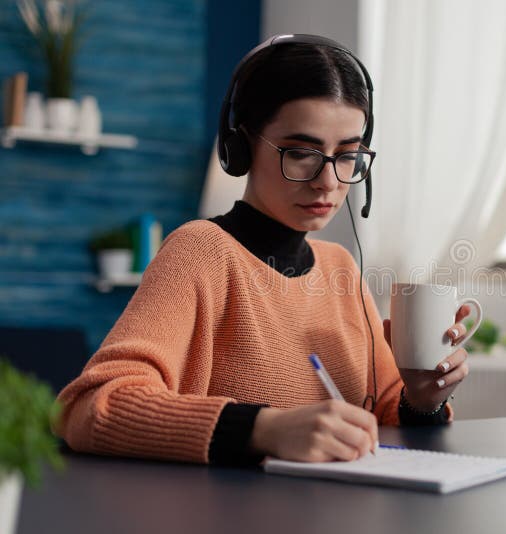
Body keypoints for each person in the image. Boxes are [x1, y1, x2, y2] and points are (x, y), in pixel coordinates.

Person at [55, 34, 473, 466]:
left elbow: (389, 420)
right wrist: (264, 429)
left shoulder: (339, 268)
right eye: (301, 153)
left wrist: (422, 400)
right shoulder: (200, 252)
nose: (328, 181)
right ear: (242, 146)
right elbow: (90, 407)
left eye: (348, 155)